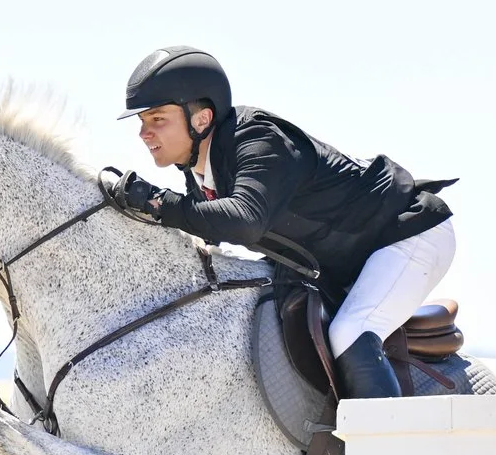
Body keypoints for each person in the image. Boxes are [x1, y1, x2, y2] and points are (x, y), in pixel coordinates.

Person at [107, 46, 454, 398]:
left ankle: (384, 450)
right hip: (345, 258)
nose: (143, 134)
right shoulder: (199, 169)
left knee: (351, 331)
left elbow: (244, 222)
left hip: (405, 233)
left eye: (157, 119)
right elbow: (204, 232)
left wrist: (157, 202)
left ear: (201, 118)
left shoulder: (257, 140)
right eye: (142, 122)